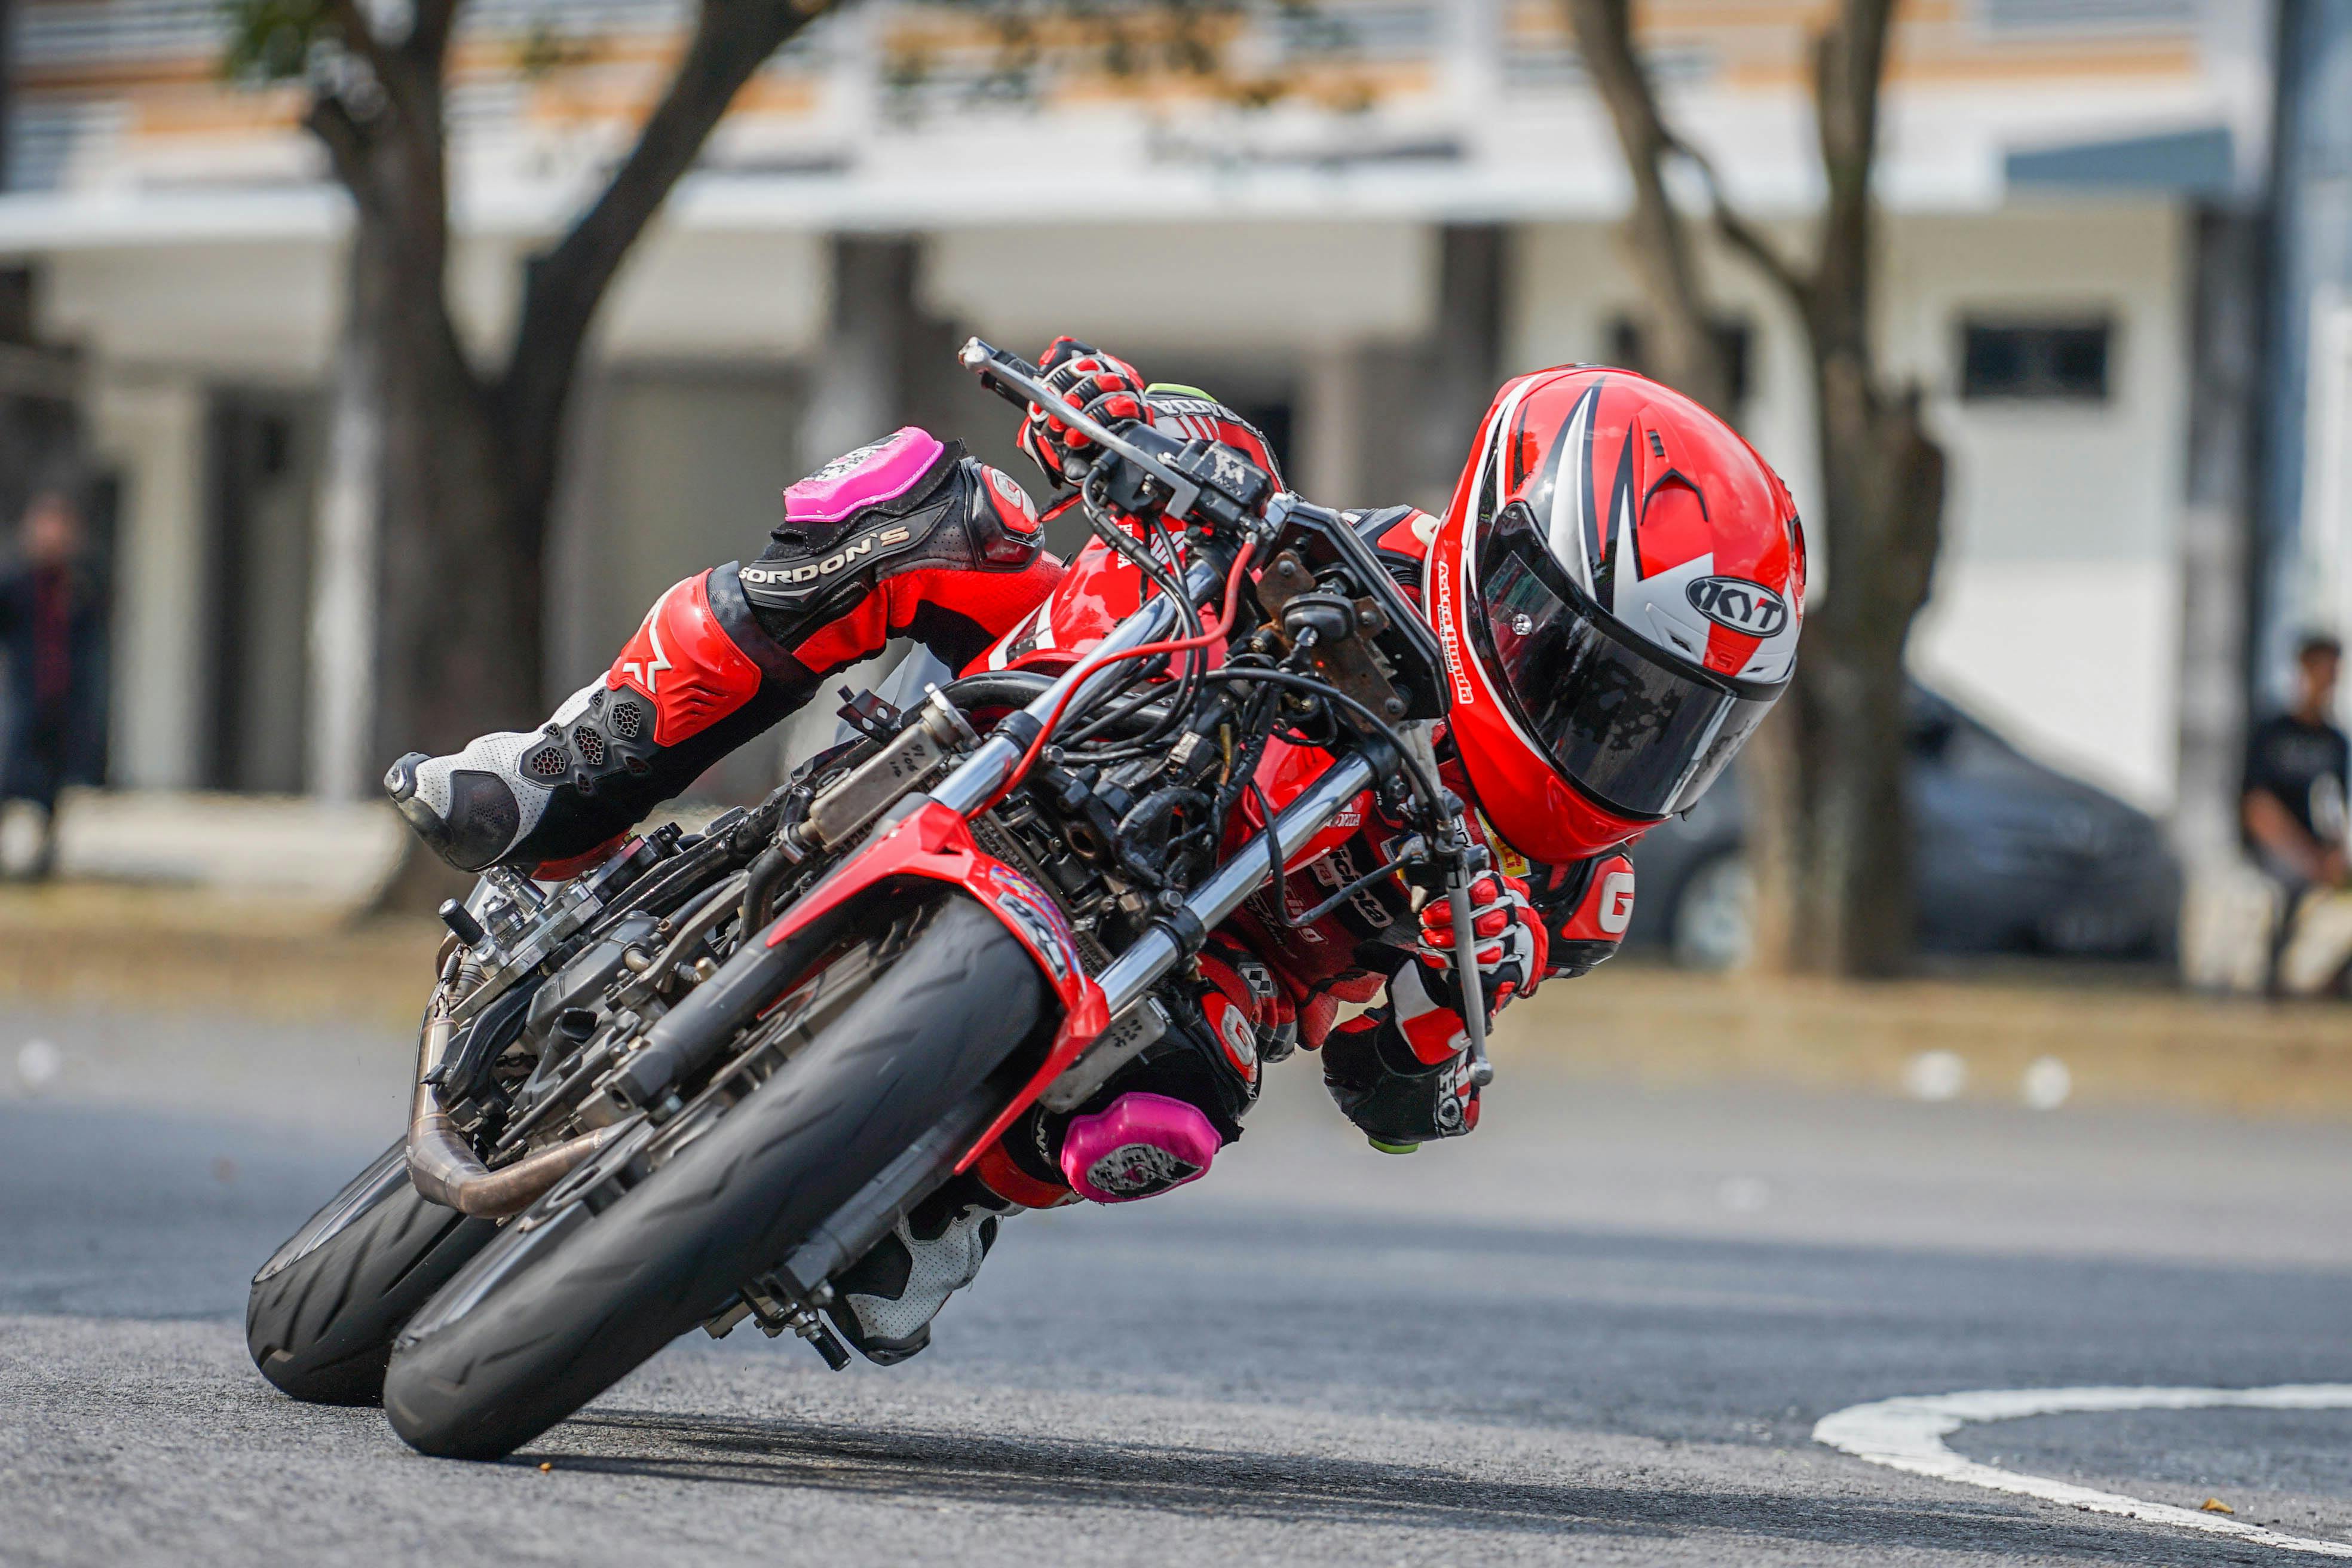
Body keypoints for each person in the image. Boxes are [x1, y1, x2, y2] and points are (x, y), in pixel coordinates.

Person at [387, 341, 1806, 1362]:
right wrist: (1130, 417)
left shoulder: (1571, 887)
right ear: (1509, 563)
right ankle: (561, 777)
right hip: (1061, 698)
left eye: (1677, 723)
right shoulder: (1348, 550)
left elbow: (1389, 1096)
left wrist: (1434, 1009)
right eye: (1605, 685)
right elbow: (1174, 443)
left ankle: (929, 1186)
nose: (1629, 738)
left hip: (1194, 960)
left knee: (1171, 1109)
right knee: (926, 510)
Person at [0, 490, 107, 881]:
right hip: (24, 695)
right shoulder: (16, 583)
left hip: (63, 698)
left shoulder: (79, 585)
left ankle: (44, 858)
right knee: (10, 777)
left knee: (53, 786)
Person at [2242, 632, 2351, 995]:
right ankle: (2271, 982)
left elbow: (2336, 809)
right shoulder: (2272, 734)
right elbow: (2258, 809)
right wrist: (2306, 857)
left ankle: (2334, 983)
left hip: (2314, 852)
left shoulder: (2334, 741)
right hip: (2276, 848)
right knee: (2289, 885)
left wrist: (2334, 855)